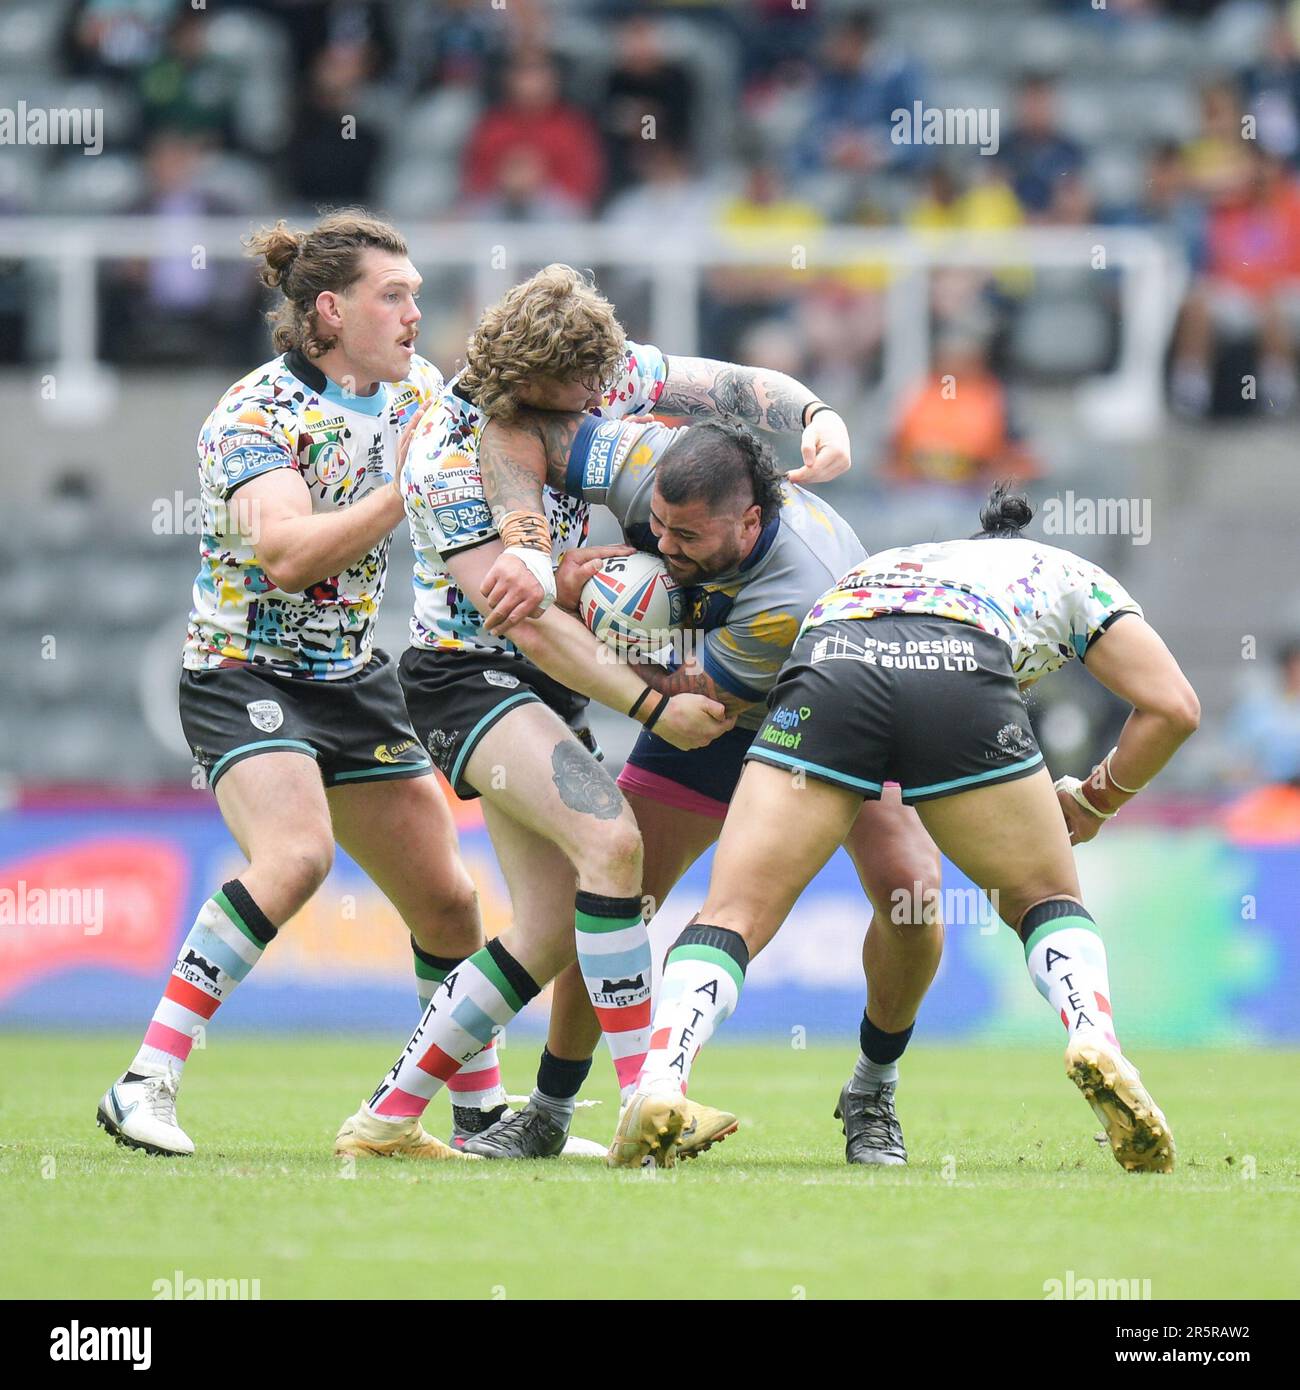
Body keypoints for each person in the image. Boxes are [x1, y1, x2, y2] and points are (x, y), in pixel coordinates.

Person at [335, 264, 867, 1162]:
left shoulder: (600, 373)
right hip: (472, 678)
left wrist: (816, 413)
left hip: (552, 685)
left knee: (549, 931)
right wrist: (653, 702)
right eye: (579, 396)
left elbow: (734, 388)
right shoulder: (443, 454)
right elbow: (530, 625)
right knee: (613, 842)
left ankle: (385, 1119)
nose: (599, 405)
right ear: (533, 386)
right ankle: (643, 1107)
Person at [609, 487, 1199, 1174]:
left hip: (833, 657)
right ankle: (1095, 1037)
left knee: (735, 913)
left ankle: (657, 1083)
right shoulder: (1069, 575)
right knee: (1043, 899)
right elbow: (1175, 708)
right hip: (959, 668)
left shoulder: (898, 560)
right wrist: (1095, 802)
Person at [97, 211, 480, 1162]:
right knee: (298, 855)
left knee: (451, 905)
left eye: (418, 296)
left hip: (352, 677)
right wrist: (411, 487)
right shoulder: (253, 416)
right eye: (393, 296)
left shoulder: (420, 393)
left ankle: (483, 1117)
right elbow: (283, 555)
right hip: (242, 672)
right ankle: (144, 1081)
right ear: (328, 311)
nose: (413, 315)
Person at [474, 409, 947, 1169]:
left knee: (912, 892)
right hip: (700, 702)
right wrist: (537, 557)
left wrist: (583, 612)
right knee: (612, 891)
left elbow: (695, 702)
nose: (661, 545)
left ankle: (872, 1090)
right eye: (655, 525)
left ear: (750, 521)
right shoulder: (648, 459)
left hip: (829, 703)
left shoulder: (796, 585)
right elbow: (511, 435)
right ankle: (551, 1110)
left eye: (686, 538)